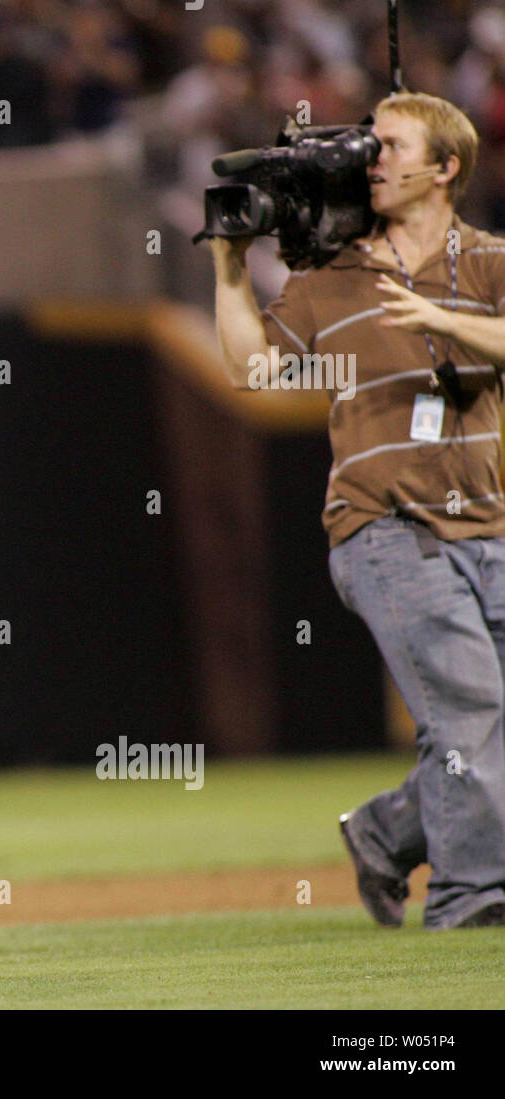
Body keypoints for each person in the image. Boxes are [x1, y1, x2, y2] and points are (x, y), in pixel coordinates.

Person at [211, 91, 505, 929]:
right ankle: (472, 896)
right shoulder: (332, 277)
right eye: (369, 145)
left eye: (391, 146)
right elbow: (254, 373)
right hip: (385, 527)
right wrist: (229, 267)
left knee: (486, 730)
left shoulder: (487, 261)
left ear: (445, 168)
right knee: (468, 712)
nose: (370, 160)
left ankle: (386, 829)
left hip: (490, 524)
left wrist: (439, 317)